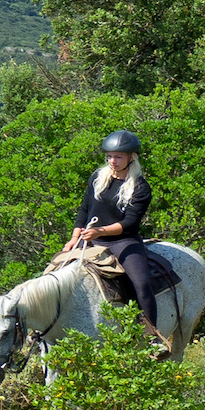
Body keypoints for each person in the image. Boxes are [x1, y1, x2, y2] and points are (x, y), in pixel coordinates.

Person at [61, 130, 158, 330]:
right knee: (57, 272)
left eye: (118, 157)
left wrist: (100, 231)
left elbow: (130, 222)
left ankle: (152, 335)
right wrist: (73, 238)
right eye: (110, 156)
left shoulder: (140, 187)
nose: (112, 161)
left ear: (132, 157)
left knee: (141, 284)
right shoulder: (98, 177)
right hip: (91, 238)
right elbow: (84, 209)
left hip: (123, 241)